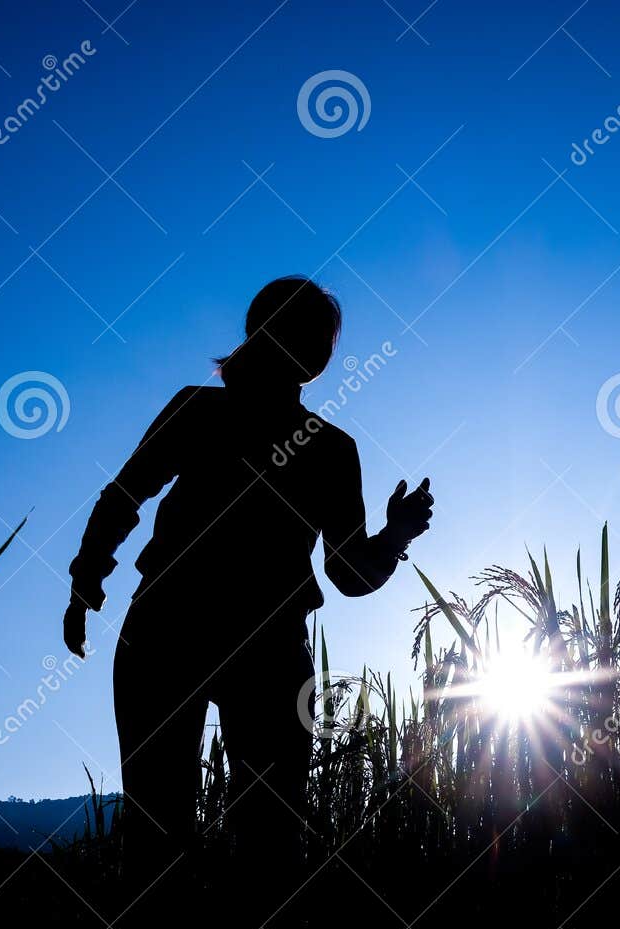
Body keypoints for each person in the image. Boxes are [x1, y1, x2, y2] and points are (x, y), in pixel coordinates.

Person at [63, 277, 433, 891]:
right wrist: (85, 579)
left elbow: (343, 572)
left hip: (202, 636)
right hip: (220, 639)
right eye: (316, 334)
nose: (319, 349)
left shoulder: (295, 439)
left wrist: (396, 535)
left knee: (211, 836)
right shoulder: (279, 434)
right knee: (240, 838)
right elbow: (347, 574)